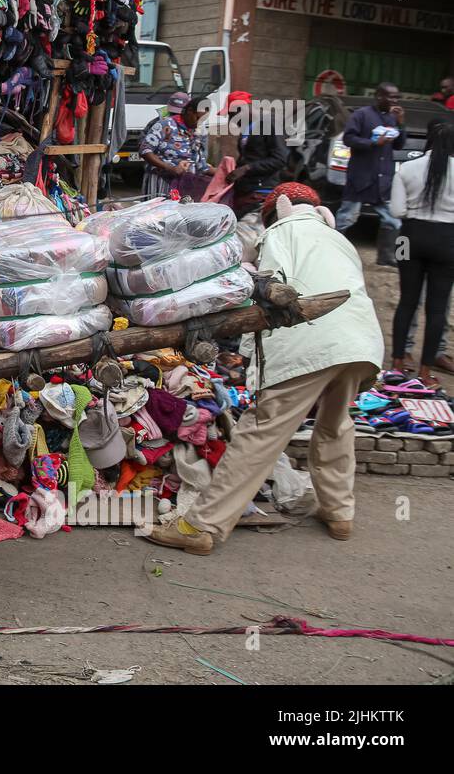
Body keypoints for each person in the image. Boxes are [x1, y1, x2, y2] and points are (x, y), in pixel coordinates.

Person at [147, 183, 383, 555]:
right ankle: (339, 512)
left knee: (261, 433)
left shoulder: (281, 233)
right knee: (336, 424)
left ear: (276, 213)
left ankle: (201, 527)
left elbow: (269, 293)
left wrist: (246, 358)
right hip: (361, 343)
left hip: (311, 339)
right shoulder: (338, 239)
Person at [389, 118, 454, 385]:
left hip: (408, 240)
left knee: (407, 301)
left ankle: (397, 364)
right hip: (448, 242)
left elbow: (396, 211)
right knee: (437, 309)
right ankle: (426, 373)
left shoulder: (406, 168)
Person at [336, 82, 406, 267]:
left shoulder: (392, 117)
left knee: (393, 220)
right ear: (378, 96)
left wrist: (400, 124)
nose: (394, 100)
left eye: (397, 97)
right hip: (361, 176)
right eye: (390, 96)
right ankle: (333, 252)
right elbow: (348, 139)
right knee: (346, 218)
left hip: (383, 179)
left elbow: (399, 145)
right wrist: (373, 143)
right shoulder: (361, 115)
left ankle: (387, 256)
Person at [225, 90, 289, 216]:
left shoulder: (270, 123)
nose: (231, 120)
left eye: (231, 115)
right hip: (246, 189)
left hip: (261, 191)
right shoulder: (248, 128)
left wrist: (246, 169)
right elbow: (250, 157)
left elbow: (280, 159)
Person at [141, 92, 210, 199]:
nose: (198, 122)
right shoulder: (166, 124)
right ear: (189, 111)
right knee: (157, 215)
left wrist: (223, 172)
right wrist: (169, 168)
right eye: (197, 118)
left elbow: (201, 165)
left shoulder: (200, 132)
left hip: (186, 186)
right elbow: (145, 150)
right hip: (161, 182)